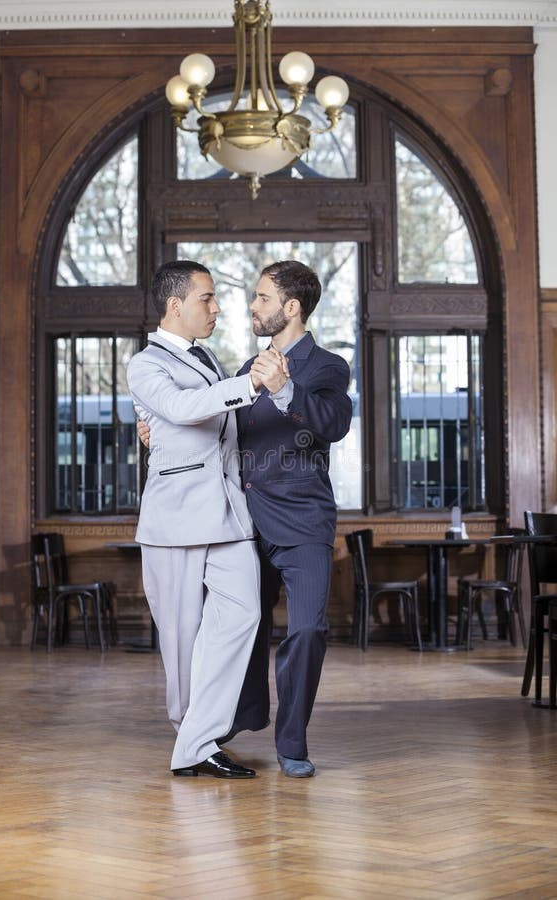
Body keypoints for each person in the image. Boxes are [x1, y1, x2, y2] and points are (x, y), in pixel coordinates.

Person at [138, 259, 353, 778]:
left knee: (306, 630)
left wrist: (283, 391)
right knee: (241, 628)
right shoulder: (238, 370)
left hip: (303, 524)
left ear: (291, 308)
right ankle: (231, 722)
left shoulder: (327, 367)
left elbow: (334, 423)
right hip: (242, 522)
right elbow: (208, 427)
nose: (250, 307)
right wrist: (157, 435)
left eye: (260, 298)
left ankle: (293, 741)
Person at [127, 259, 269, 779]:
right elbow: (182, 409)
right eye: (206, 298)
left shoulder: (205, 356)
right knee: (181, 641)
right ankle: (195, 744)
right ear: (175, 305)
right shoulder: (145, 364)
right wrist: (248, 383)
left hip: (228, 514)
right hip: (176, 519)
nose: (215, 307)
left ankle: (196, 739)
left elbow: (189, 423)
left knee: (242, 616)